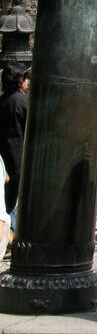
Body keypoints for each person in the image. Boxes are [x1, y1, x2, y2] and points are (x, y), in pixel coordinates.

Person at [0, 64, 28, 232]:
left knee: (5, 192)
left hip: (3, 155)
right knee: (14, 194)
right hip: (18, 154)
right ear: (20, 81)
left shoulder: (2, 100)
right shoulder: (22, 101)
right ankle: (11, 229)